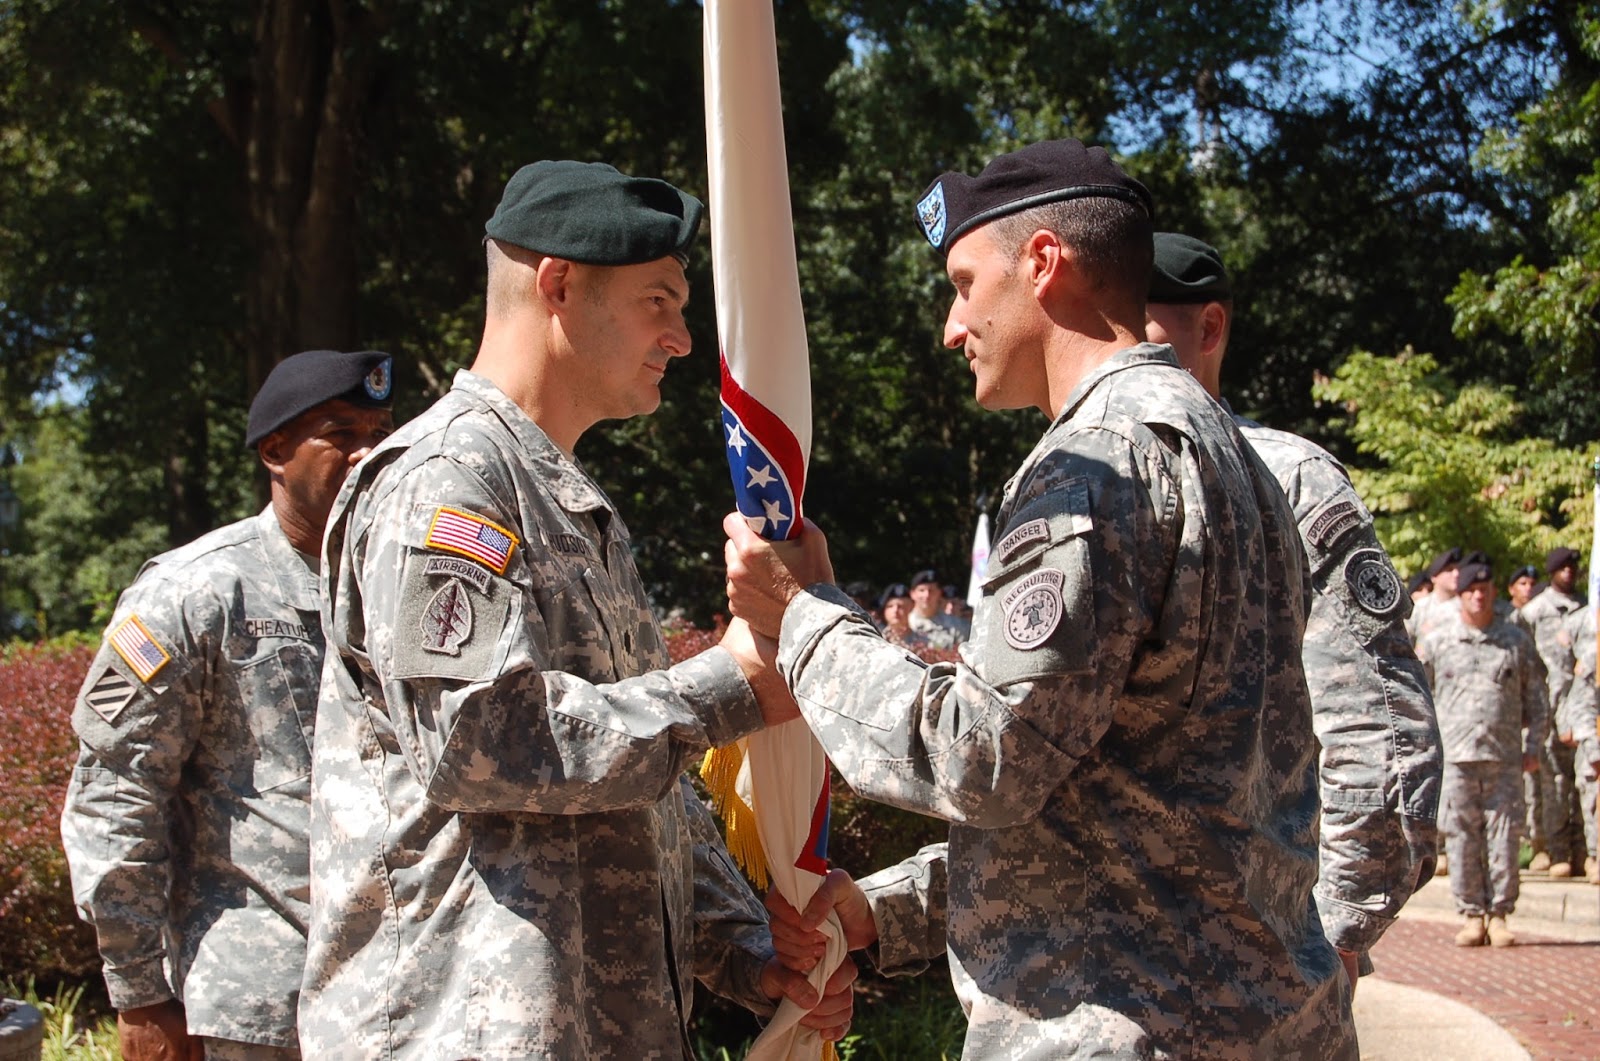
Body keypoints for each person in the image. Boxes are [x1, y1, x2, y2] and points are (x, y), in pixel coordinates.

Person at [725, 139, 1354, 1057]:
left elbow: (986, 756)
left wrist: (807, 618)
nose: (951, 323)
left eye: (965, 282)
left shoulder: (1093, 465)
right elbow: (1130, 796)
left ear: (1046, 263)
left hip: (1124, 1027)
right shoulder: (1238, 456)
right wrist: (882, 912)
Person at [297, 160, 852, 1059]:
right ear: (559, 282)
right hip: (461, 1032)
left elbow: (639, 794)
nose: (681, 337)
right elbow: (486, 738)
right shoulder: (450, 482)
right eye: (660, 300)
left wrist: (749, 947)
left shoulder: (561, 499)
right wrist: (734, 683)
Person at [60, 350, 397, 1061]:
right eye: (341, 433)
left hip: (400, 998)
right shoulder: (196, 592)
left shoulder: (400, 584)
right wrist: (141, 993)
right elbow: (116, 792)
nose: (368, 451)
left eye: (380, 430)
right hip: (260, 1007)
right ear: (275, 451)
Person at [1143, 232, 1442, 983]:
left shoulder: (1289, 479)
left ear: (1208, 329)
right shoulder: (1084, 486)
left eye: (1142, 333)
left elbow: (1379, 726)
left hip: (1255, 980)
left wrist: (1335, 936)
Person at [1418, 560, 1548, 947]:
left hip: (1504, 758)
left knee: (1504, 838)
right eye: (1471, 590)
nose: (1478, 595)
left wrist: (1535, 745)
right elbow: (1419, 697)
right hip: (1457, 758)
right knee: (1461, 838)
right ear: (1460, 595)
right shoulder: (1439, 641)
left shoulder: (1515, 641)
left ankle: (1500, 914)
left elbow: (1537, 699)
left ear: (1493, 593)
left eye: (1485, 589)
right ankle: (1472, 914)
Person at [1519, 547, 1586, 877]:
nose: (1570, 572)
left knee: (1582, 780)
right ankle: (1551, 847)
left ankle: (1583, 850)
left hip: (1584, 706)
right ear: (1552, 571)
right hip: (1549, 707)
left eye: (1574, 567)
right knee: (1551, 781)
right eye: (1563, 567)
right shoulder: (1534, 611)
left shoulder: (1588, 608)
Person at [1555, 603, 1600, 884]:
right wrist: (1594, 749)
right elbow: (1582, 704)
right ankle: (1595, 857)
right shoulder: (1594, 655)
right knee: (1594, 803)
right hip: (1596, 746)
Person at [1408, 547, 1463, 642]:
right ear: (1434, 577)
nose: (1456, 574)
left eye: (1458, 569)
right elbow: (1403, 645)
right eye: (1450, 570)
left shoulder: (1467, 607)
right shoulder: (1419, 609)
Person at [906, 568, 969, 646]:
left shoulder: (957, 626)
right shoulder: (905, 623)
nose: (927, 595)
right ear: (912, 594)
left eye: (931, 590)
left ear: (939, 593)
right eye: (922, 590)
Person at [878, 583, 932, 650]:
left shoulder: (923, 641)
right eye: (890, 606)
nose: (895, 610)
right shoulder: (878, 639)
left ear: (911, 608)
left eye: (901, 607)